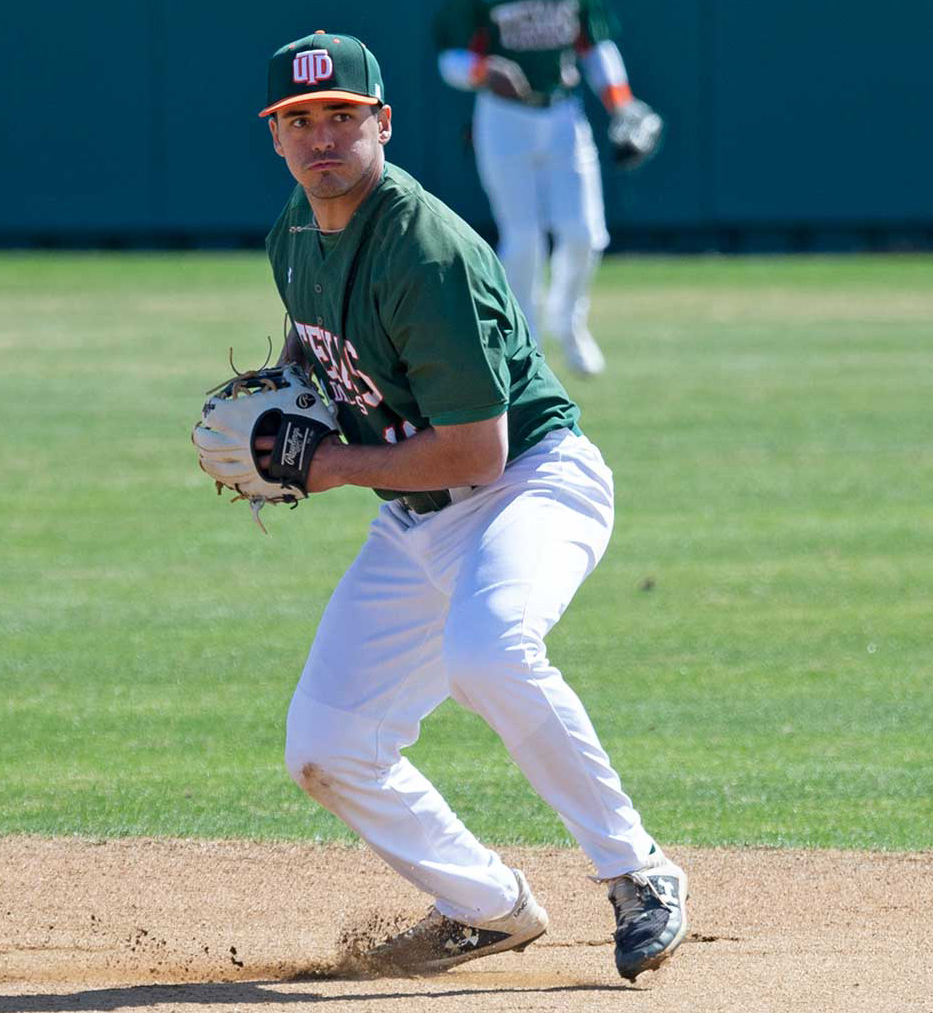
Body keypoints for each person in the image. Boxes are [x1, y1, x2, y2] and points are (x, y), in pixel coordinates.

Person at [253, 30, 687, 981]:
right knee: (326, 746)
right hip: (416, 511)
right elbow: (319, 347)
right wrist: (276, 403)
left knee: (490, 649)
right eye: (298, 120)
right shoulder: (294, 229)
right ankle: (487, 907)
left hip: (532, 482)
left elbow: (480, 450)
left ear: (383, 124)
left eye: (341, 116)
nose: (321, 138)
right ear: (275, 135)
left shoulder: (426, 250)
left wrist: (320, 464)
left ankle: (638, 871)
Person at [432, 0, 650, 377]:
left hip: (563, 113)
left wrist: (621, 102)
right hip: (503, 118)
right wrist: (483, 71)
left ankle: (568, 322)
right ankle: (525, 343)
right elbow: (449, 57)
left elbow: (594, 43)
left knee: (585, 233)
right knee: (523, 238)